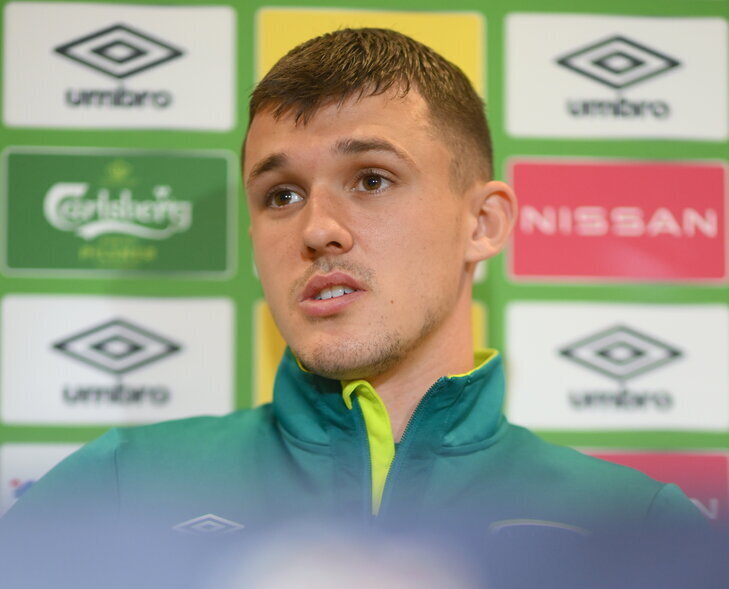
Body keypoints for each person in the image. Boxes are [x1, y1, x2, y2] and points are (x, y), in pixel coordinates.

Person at [3, 27, 702, 534]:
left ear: (483, 224)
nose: (316, 229)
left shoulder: (637, 530)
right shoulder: (121, 489)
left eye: (371, 179)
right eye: (280, 195)